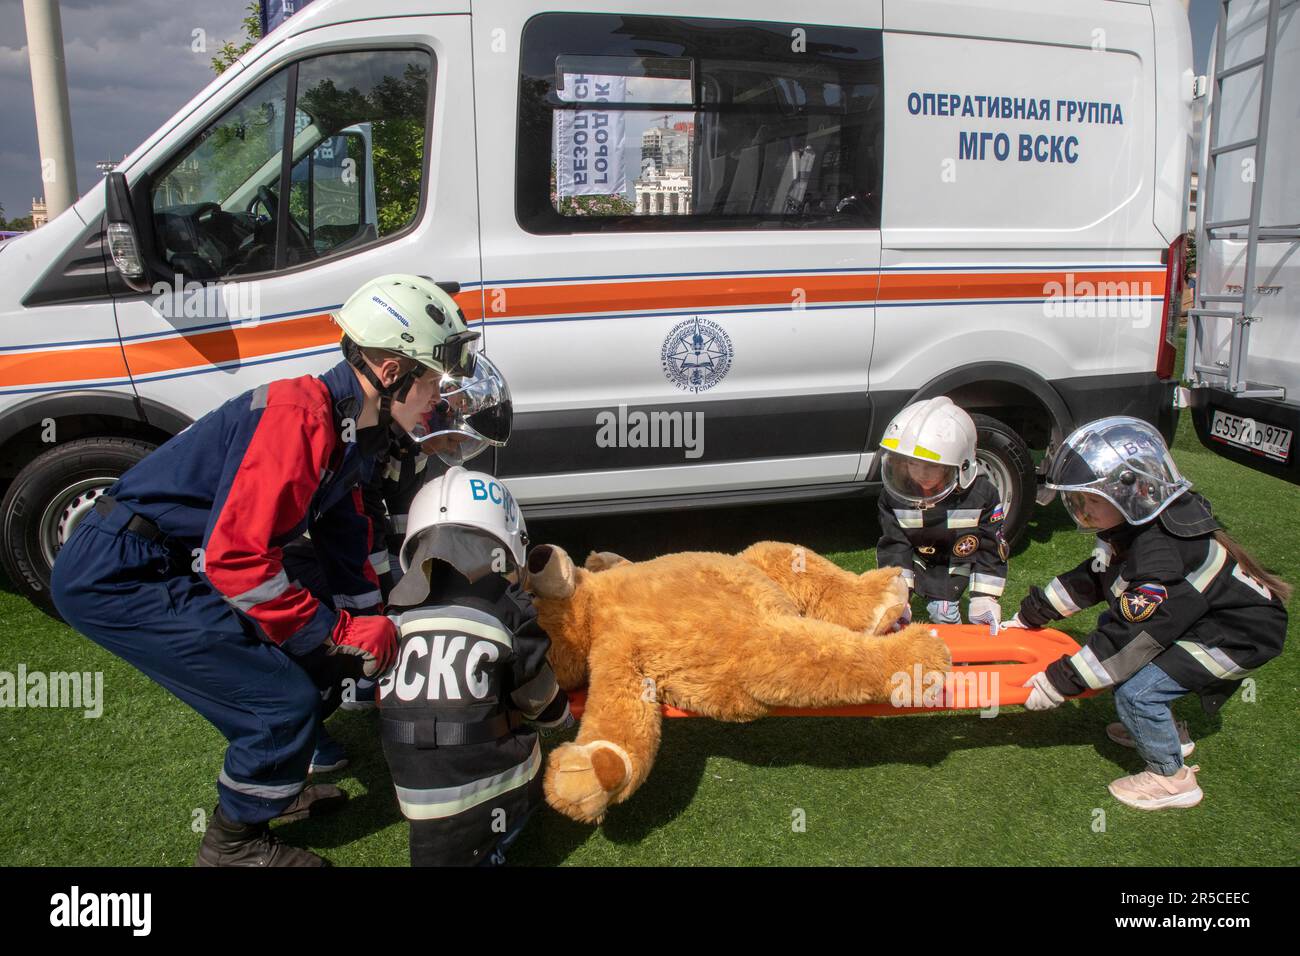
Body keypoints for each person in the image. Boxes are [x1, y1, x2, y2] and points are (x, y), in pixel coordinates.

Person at [51, 274, 481, 865]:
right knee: (279, 703)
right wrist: (339, 633)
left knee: (300, 667)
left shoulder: (343, 420)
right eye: (432, 379)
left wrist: (366, 616)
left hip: (154, 558)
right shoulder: (301, 417)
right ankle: (233, 846)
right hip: (119, 573)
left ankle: (276, 788)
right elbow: (239, 563)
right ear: (390, 371)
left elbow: (344, 528)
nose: (438, 396)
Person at [1008, 416, 1289, 810]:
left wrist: (1059, 683)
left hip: (1239, 636)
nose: (1081, 510)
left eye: (1090, 499)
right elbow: (1095, 578)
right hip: (1210, 619)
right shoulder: (1142, 525)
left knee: (1138, 692)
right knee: (1132, 656)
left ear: (1130, 491)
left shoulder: (1159, 561)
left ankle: (1170, 779)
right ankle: (1164, 733)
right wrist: (1032, 614)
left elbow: (1130, 640)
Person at [378, 467, 571, 866]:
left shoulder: (395, 610)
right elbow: (542, 704)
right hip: (477, 789)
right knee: (536, 760)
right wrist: (565, 719)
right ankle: (494, 844)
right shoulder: (508, 609)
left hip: (412, 791)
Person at [876, 397, 1008, 631]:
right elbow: (895, 545)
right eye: (912, 464)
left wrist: (984, 598)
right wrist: (898, 594)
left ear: (961, 465)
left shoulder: (982, 496)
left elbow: (990, 548)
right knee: (892, 619)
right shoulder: (893, 497)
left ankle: (958, 659)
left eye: (932, 466)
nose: (921, 474)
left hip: (954, 561)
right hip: (917, 558)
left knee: (944, 612)